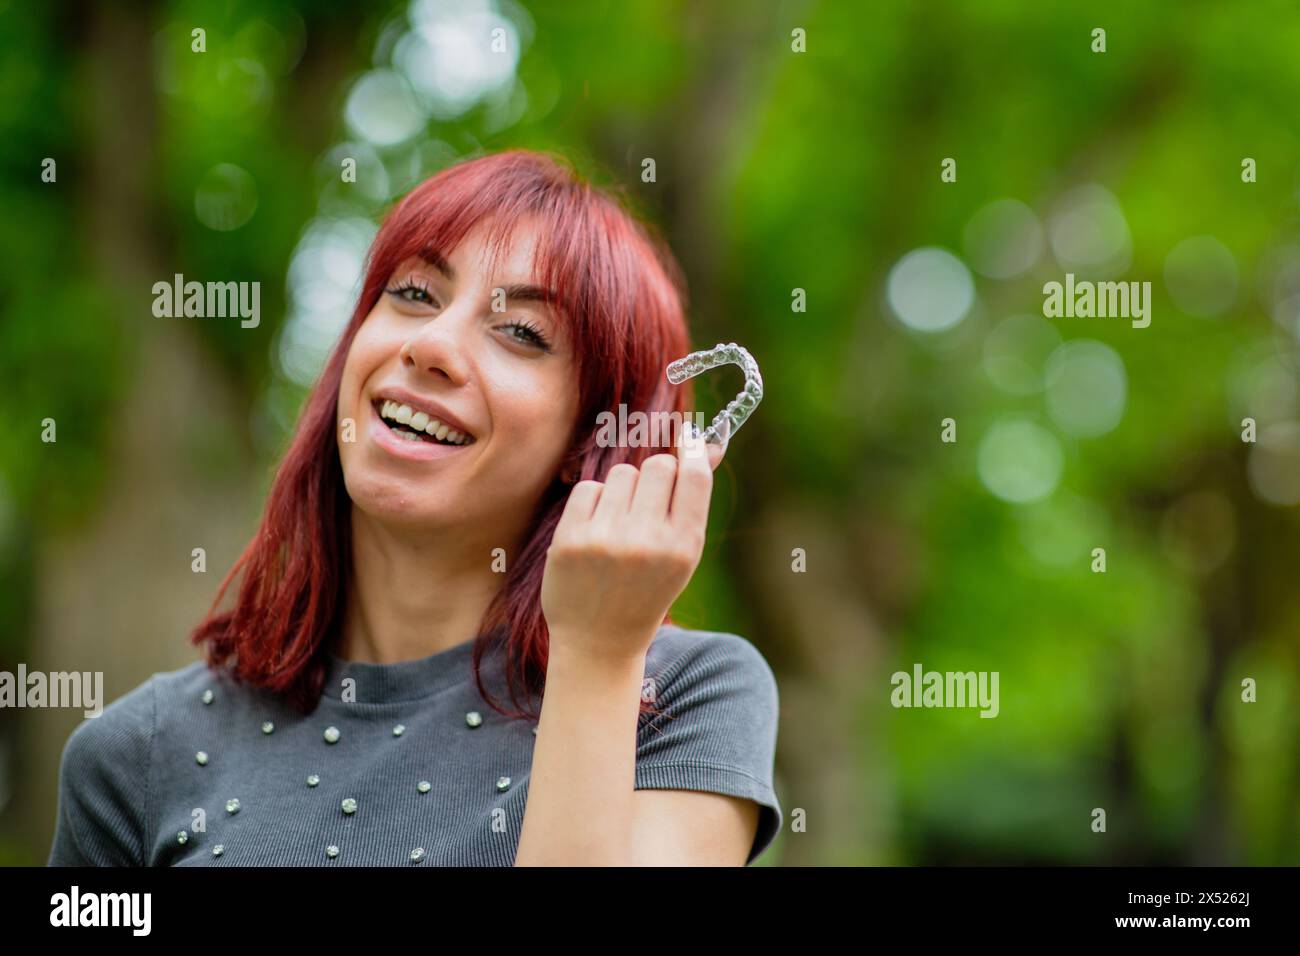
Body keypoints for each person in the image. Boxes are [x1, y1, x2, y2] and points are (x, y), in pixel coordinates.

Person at [48, 148, 782, 867]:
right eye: (414, 294)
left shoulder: (685, 696)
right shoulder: (131, 758)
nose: (432, 344)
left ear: (592, 438)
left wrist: (597, 657)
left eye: (521, 333)